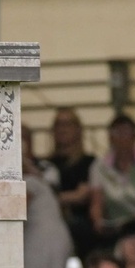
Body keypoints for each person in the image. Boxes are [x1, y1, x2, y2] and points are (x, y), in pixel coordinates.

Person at [23, 127, 74, 268]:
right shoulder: (36, 181)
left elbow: (14, 212)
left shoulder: (29, 182)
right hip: (49, 238)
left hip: (43, 242)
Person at [48, 108, 98, 257]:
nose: (62, 129)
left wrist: (54, 199)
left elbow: (82, 195)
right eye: (58, 124)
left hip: (79, 223)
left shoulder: (89, 163)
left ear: (78, 129)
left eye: (67, 124)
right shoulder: (47, 163)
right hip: (52, 221)